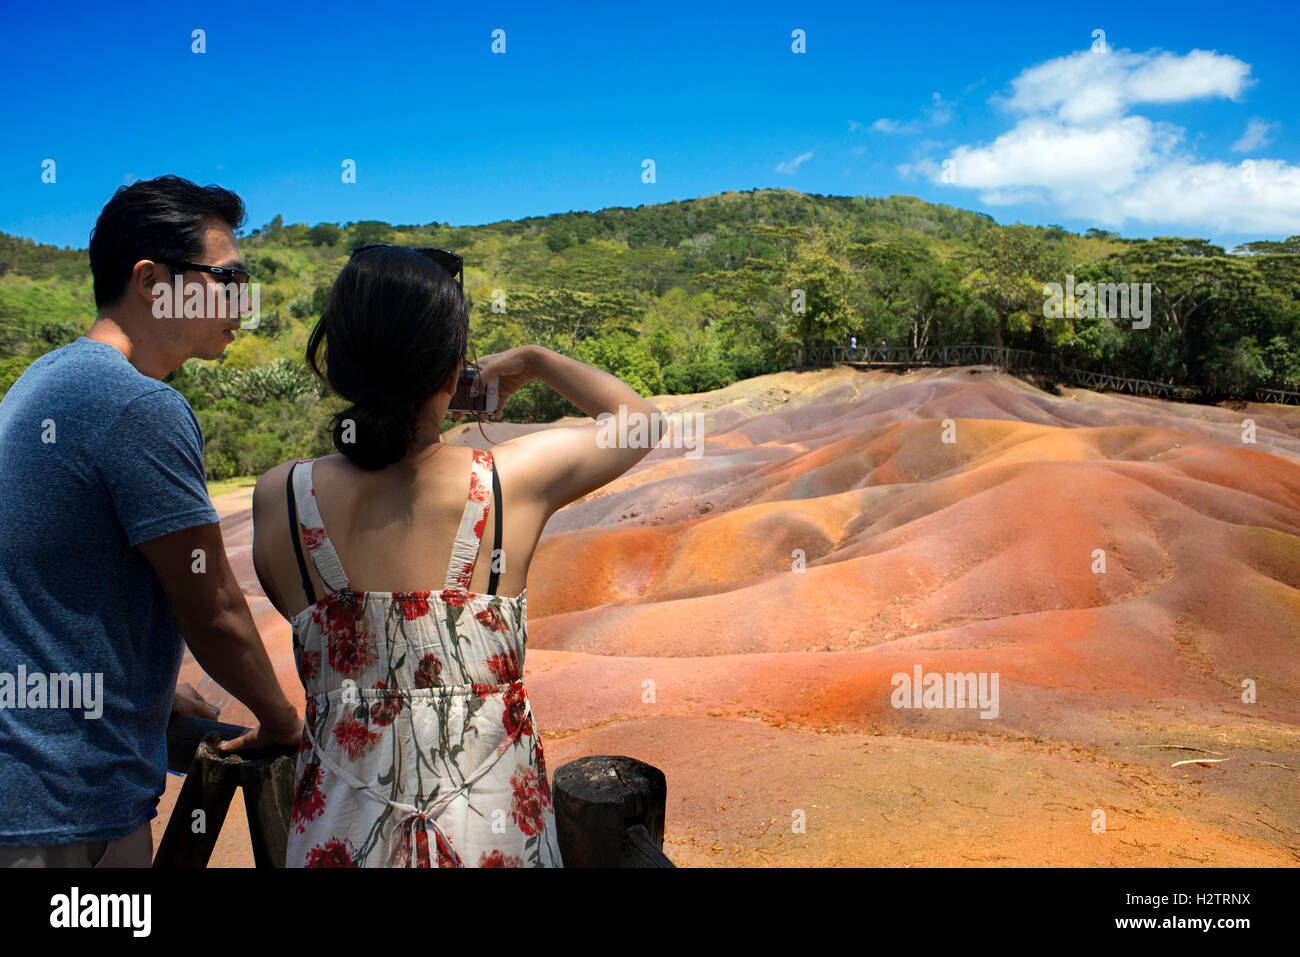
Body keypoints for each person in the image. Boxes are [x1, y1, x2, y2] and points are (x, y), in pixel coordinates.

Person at [251, 245, 664, 867]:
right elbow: (642, 421)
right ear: (454, 369)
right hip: (493, 841)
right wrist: (535, 360)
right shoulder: (506, 482)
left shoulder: (281, 495)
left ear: (336, 362)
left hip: (335, 839)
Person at [0, 176, 303, 867]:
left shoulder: (41, 383)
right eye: (228, 278)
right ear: (151, 279)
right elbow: (215, 606)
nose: (243, 300)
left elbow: (49, 582)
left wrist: (152, 687)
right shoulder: (137, 406)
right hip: (65, 802)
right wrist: (283, 722)